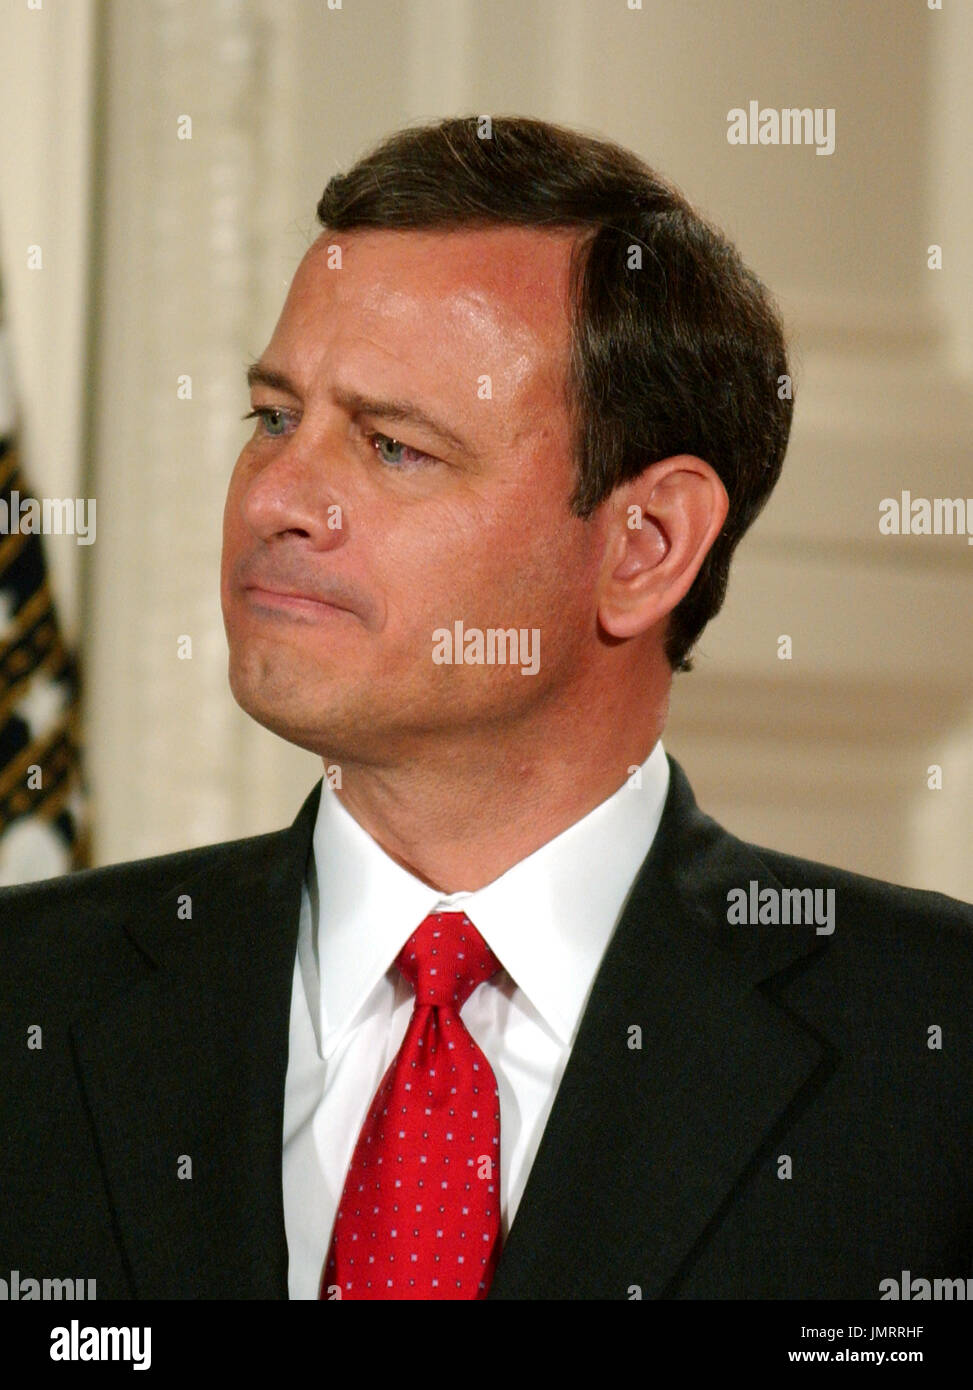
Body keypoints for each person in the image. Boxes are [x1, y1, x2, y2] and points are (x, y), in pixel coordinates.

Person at [1, 116, 970, 1302]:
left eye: (393, 446)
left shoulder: (936, 1050)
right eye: (272, 418)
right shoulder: (27, 1005)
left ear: (645, 546)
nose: (278, 497)